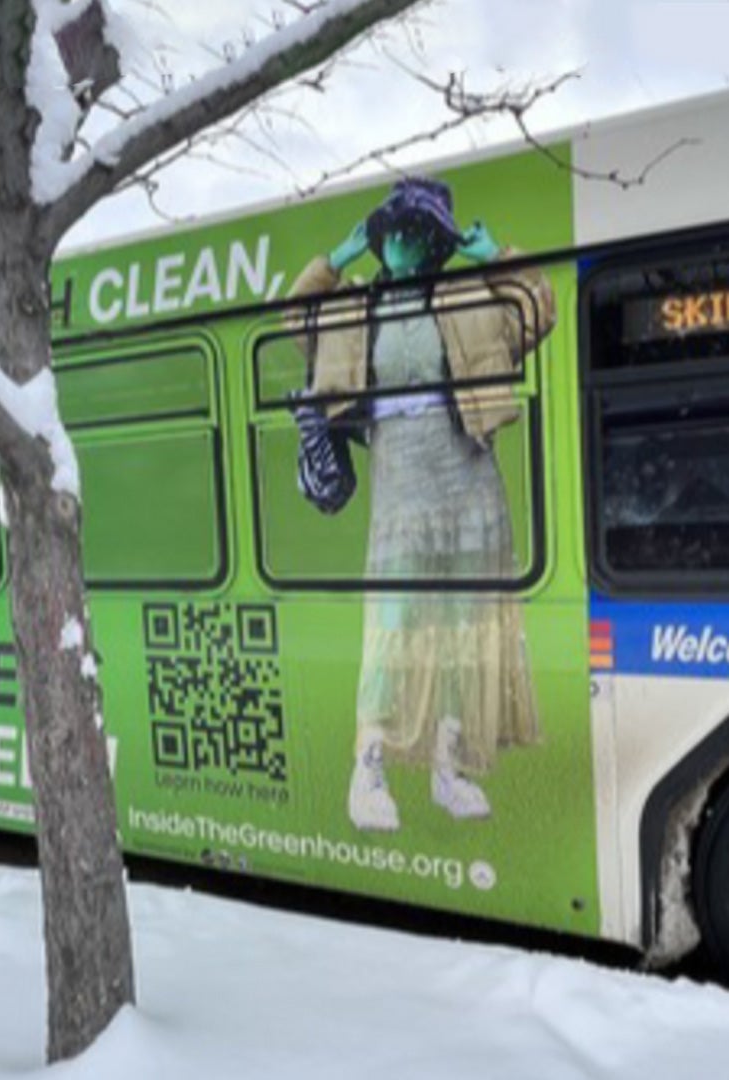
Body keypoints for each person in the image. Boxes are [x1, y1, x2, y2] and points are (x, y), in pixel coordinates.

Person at [289, 176, 556, 831]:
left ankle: (449, 767)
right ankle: (369, 766)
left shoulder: (470, 294)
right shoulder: (353, 307)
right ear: (379, 242)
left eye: (418, 233)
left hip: (469, 476)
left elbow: (539, 312)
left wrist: (496, 257)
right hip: (400, 482)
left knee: (467, 628)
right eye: (393, 232)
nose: (404, 243)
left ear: (437, 242)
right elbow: (295, 323)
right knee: (395, 626)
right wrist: (330, 264)